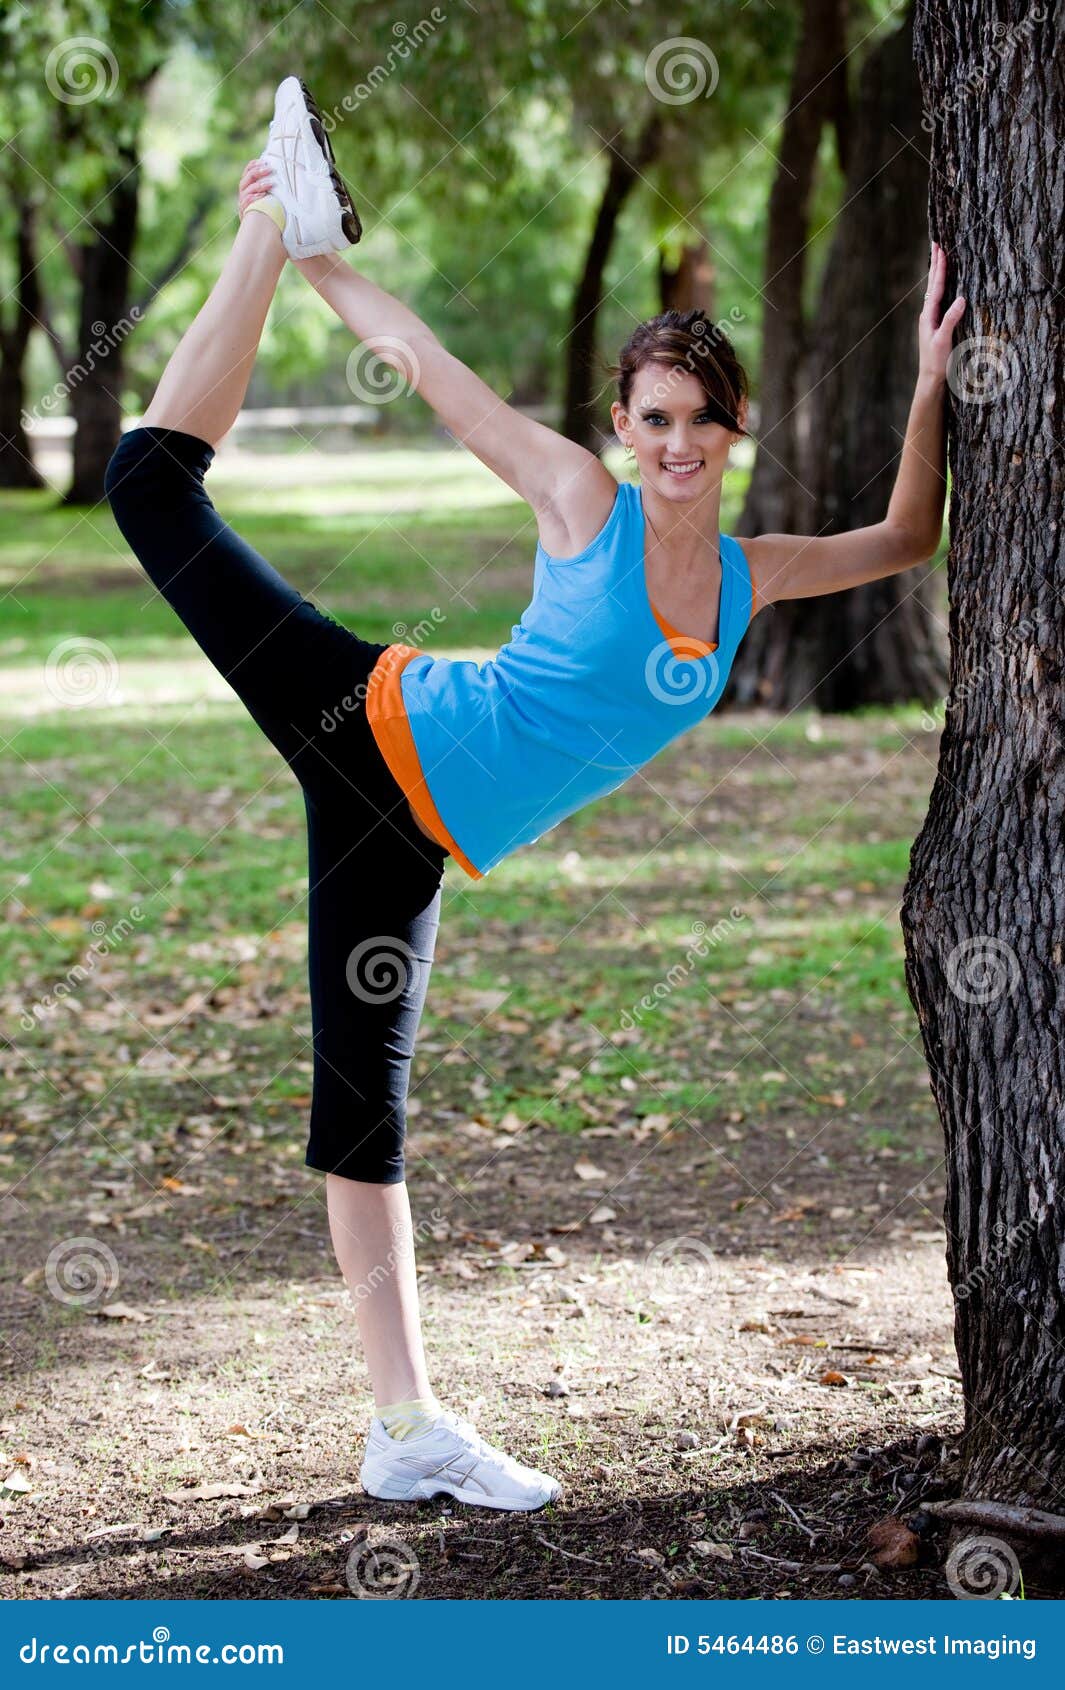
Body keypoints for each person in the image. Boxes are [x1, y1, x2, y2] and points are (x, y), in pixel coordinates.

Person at [104, 75, 964, 1513]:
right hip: (364, 725)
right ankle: (272, 213)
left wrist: (933, 383)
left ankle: (404, 1429)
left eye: (701, 419)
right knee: (148, 482)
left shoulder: (752, 576)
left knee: (358, 1116)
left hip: (418, 838)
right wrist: (320, 264)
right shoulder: (581, 500)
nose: (677, 442)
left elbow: (903, 532)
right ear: (623, 424)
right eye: (654, 416)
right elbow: (430, 364)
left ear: (733, 428)